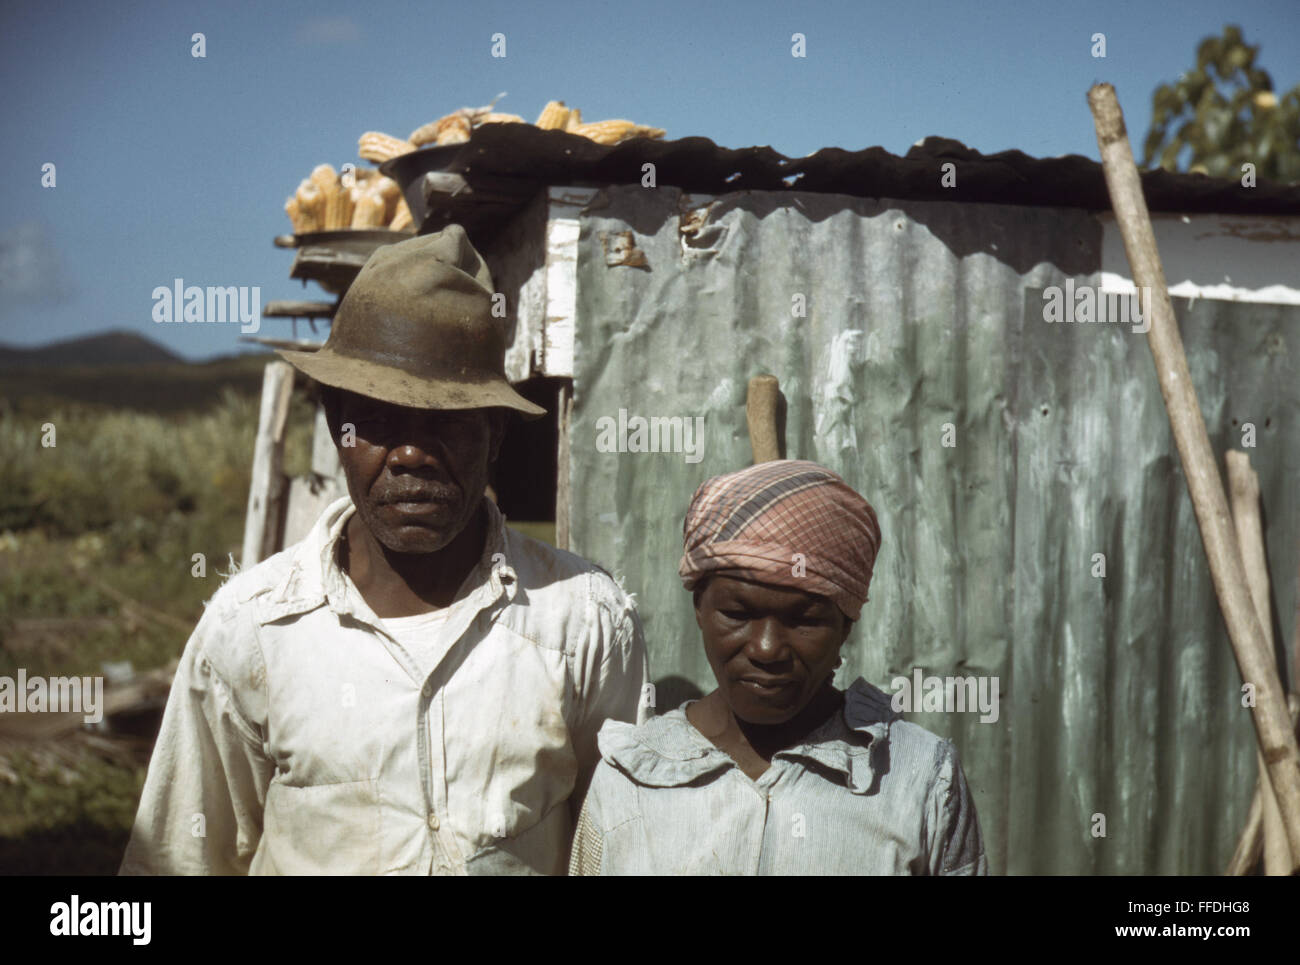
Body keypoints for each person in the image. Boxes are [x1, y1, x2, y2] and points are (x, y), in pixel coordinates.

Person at [120, 226, 649, 875]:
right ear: (335, 424)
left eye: (447, 422)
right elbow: (180, 857)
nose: (410, 455)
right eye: (376, 419)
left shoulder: (583, 619)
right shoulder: (250, 630)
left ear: (496, 435)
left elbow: (623, 847)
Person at [569, 459, 988, 875]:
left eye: (804, 620)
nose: (767, 649)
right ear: (700, 607)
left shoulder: (918, 779)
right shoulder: (630, 778)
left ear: (847, 624)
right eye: (737, 614)